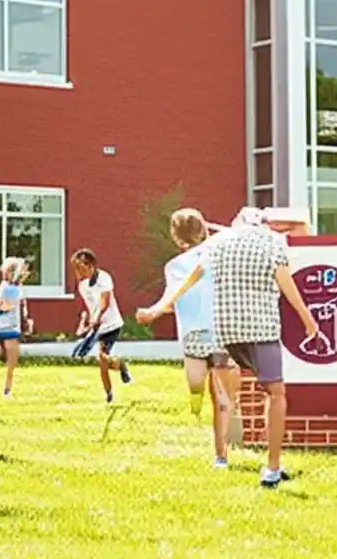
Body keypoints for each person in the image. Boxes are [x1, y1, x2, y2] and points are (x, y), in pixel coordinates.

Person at [146, 207, 319, 488]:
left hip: (226, 334)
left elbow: (190, 281)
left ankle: (221, 450)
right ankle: (272, 468)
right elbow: (288, 285)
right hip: (260, 329)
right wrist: (308, 321)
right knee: (275, 393)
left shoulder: (217, 244)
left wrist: (158, 309)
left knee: (228, 385)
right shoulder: (271, 243)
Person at [136, 208, 241, 469]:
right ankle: (222, 452)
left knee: (204, 388)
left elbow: (171, 300)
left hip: (194, 335)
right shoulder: (222, 254)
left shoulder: (175, 266)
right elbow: (236, 233)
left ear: (176, 236)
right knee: (222, 396)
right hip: (224, 332)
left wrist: (154, 311)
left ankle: (221, 449)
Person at [71, 249, 132, 403]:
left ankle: (120, 367)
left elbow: (104, 302)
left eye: (80, 267)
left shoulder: (104, 278)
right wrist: (87, 322)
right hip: (97, 326)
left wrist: (97, 318)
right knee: (103, 360)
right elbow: (91, 306)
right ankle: (109, 393)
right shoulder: (82, 286)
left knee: (102, 358)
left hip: (111, 324)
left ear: (90, 265)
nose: (77, 271)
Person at [0, 257, 29, 397]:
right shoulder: (12, 289)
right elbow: (4, 305)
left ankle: (5, 388)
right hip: (10, 328)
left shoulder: (1, 287)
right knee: (12, 362)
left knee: (4, 357)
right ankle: (7, 390)